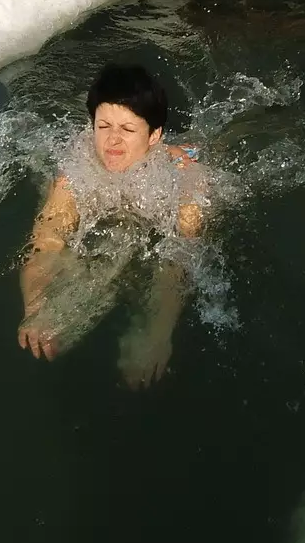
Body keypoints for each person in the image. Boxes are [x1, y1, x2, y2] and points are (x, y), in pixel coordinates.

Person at [17, 64, 204, 388]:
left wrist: (159, 331)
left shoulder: (184, 179)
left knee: (141, 258)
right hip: (118, 218)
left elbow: (181, 257)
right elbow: (47, 241)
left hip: (185, 174)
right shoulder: (76, 171)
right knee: (81, 272)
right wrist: (37, 305)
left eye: (128, 130)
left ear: (154, 136)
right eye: (103, 126)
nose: (113, 141)